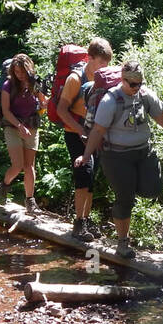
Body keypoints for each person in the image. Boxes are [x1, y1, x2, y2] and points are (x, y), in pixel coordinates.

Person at [73, 59, 163, 256]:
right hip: (116, 156)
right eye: (133, 84)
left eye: (140, 83)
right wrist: (86, 156)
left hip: (143, 152)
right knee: (125, 199)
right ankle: (123, 243)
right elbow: (97, 131)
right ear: (123, 80)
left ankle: (128, 186)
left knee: (153, 189)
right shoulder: (111, 101)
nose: (137, 87)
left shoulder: (145, 95)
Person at [57, 38, 113, 238]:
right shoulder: (75, 78)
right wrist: (80, 129)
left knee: (91, 178)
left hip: (94, 134)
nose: (104, 67)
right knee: (83, 174)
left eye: (106, 64)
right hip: (74, 133)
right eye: (100, 63)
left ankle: (86, 220)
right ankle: (78, 223)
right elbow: (61, 110)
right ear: (90, 58)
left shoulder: (103, 77)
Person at [0, 54, 45, 209]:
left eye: (22, 72)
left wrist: (46, 103)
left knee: (29, 165)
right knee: (18, 165)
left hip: (31, 126)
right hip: (13, 126)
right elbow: (6, 111)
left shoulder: (35, 83)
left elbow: (43, 103)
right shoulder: (8, 85)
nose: (20, 75)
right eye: (17, 72)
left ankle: (30, 200)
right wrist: (19, 126)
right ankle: (4, 185)